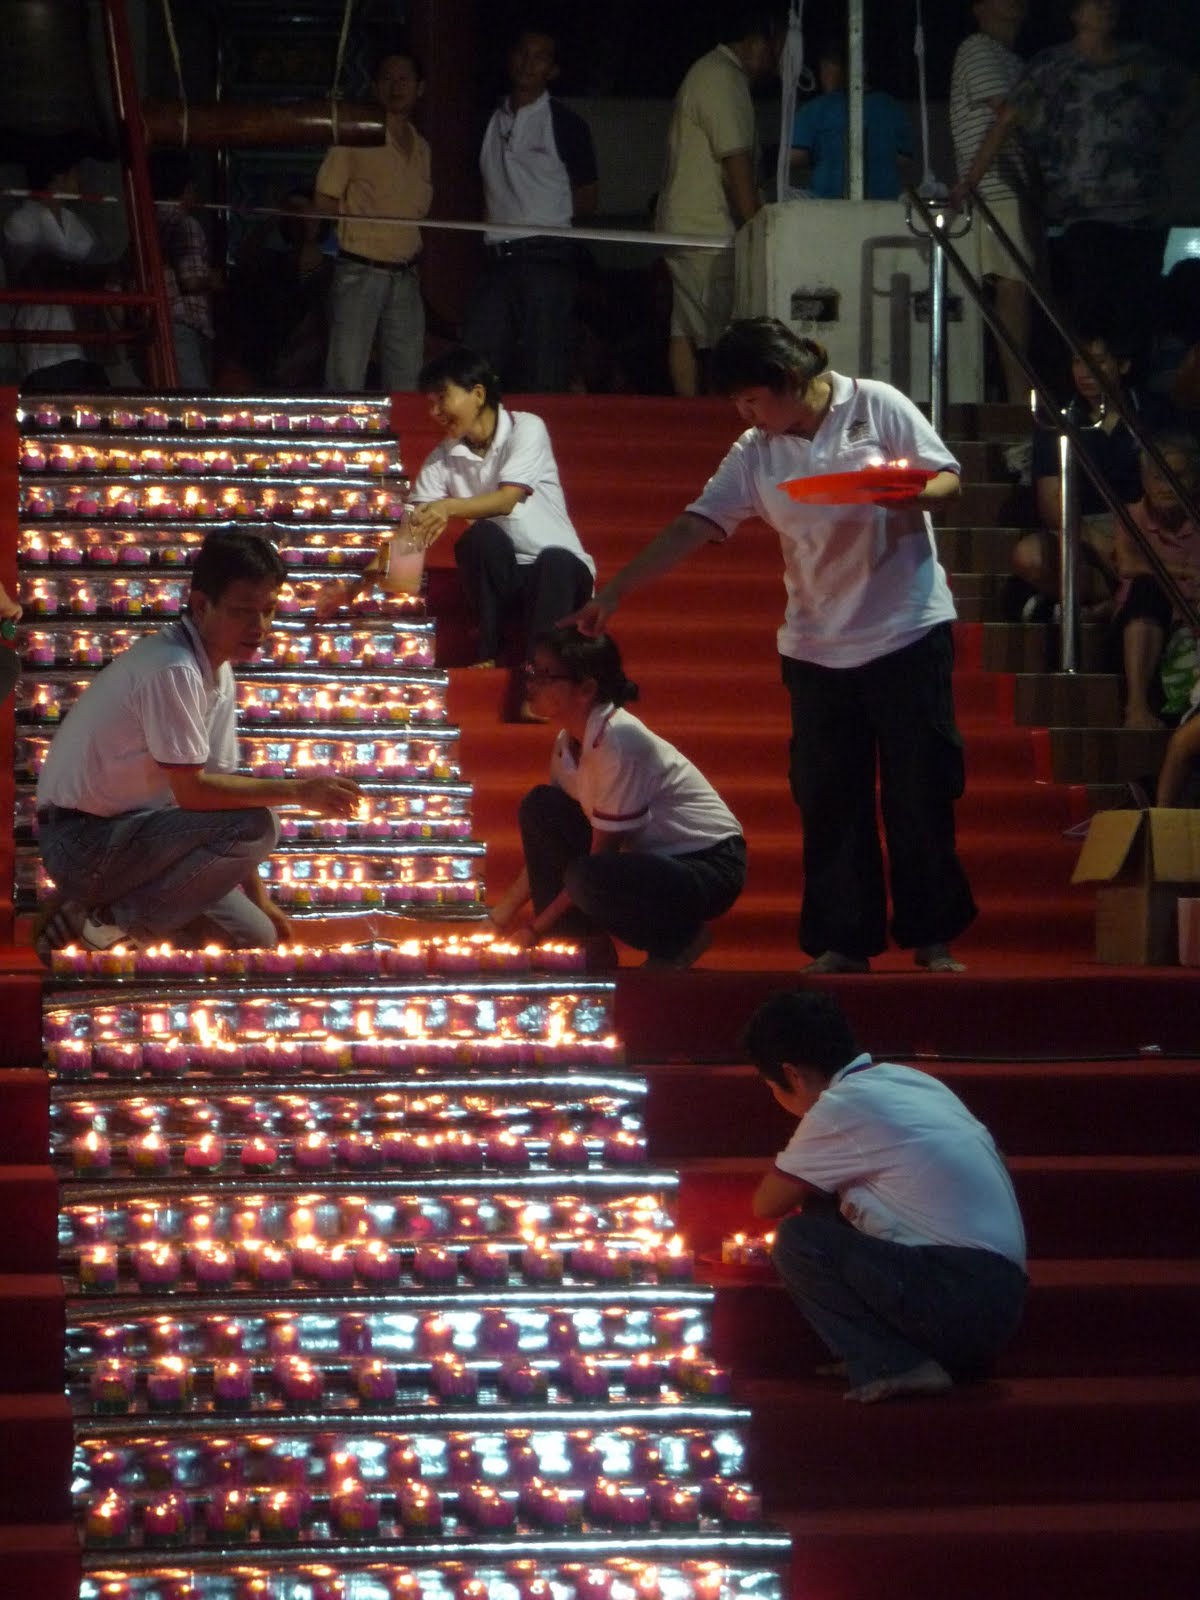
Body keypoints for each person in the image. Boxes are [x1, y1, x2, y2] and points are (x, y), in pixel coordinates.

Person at [569, 317, 976, 976]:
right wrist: (615, 591)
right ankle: (844, 940)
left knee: (919, 791)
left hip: (905, 629)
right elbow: (694, 525)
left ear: (789, 381)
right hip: (816, 644)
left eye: (752, 398)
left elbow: (948, 482)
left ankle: (933, 937)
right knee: (828, 798)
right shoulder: (755, 450)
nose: (745, 413)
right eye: (738, 403)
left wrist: (903, 492)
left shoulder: (877, 404)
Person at [32, 529, 361, 962]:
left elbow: (220, 794)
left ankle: (86, 918)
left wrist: (258, 899)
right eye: (244, 611)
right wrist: (301, 792)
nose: (259, 627)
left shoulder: (217, 673)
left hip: (142, 843)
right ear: (202, 605)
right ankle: (107, 926)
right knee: (259, 825)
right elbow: (195, 793)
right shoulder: (173, 668)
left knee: (253, 936)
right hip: (84, 843)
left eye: (268, 610)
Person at [742, 988, 1027, 1403]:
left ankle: (892, 1362)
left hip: (955, 1298)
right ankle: (892, 1351)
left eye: (771, 1085)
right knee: (823, 1200)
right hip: (999, 1301)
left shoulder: (841, 1106)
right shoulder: (911, 1080)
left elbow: (766, 1204)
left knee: (800, 1242)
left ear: (792, 1075)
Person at [316, 346, 594, 708]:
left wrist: (447, 507)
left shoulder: (526, 428)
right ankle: (490, 648)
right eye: (430, 403)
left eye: (442, 398)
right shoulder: (443, 458)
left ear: (477, 394)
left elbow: (507, 499)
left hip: (562, 577)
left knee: (554, 560)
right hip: (511, 581)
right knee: (480, 538)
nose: (435, 413)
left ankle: (536, 678)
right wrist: (355, 589)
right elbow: (410, 537)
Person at [489, 626, 747, 969]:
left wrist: (533, 930)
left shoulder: (618, 743)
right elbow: (548, 853)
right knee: (542, 809)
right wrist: (498, 917)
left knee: (589, 879)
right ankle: (573, 947)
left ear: (586, 689)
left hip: (705, 863)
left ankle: (678, 939)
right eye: (531, 671)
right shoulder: (569, 743)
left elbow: (598, 862)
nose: (530, 683)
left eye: (544, 675)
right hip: (645, 859)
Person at [951, 0, 1197, 356]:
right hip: (1084, 208)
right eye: (1095, 5)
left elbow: (1190, 89)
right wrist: (970, 180)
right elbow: (1009, 118)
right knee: (1091, 312)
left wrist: (1167, 136)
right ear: (1076, 14)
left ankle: (1134, 399)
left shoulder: (1142, 60)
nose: (1106, 10)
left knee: (1140, 311)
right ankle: (1093, 400)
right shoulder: (1053, 64)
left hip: (1143, 208)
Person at [462, 26, 598, 394]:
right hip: (496, 259)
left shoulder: (566, 124)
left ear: (552, 70)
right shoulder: (486, 119)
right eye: (523, 52)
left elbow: (587, 198)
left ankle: (541, 448)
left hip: (546, 258)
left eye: (539, 57)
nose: (527, 63)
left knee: (544, 368)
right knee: (477, 363)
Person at [655, 6, 781, 397]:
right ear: (758, 44)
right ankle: (711, 416)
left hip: (683, 224)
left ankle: (689, 412)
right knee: (718, 330)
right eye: (775, 51)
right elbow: (736, 162)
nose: (775, 63)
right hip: (706, 228)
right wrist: (759, 225)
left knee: (685, 327)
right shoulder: (725, 78)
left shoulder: (706, 71)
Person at [1011, 328, 1170, 620]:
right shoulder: (1058, 419)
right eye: (1077, 361)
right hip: (1084, 531)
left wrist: (1132, 534)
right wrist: (1095, 539)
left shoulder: (1153, 413)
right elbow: (1050, 503)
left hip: (1145, 525)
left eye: (1097, 361)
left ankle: (1093, 608)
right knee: (1030, 556)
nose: (1085, 372)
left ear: (1122, 365)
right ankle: (1112, 600)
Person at [315, 48, 431, 392]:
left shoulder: (423, 148)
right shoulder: (354, 137)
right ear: (375, 86)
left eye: (404, 79)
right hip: (359, 271)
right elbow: (323, 201)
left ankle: (403, 446)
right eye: (387, 79)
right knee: (346, 377)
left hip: (406, 275)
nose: (396, 87)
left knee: (407, 379)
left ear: (419, 87)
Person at [949, 0, 1034, 404]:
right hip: (999, 189)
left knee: (1020, 290)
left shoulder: (1012, 58)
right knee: (1012, 288)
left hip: (1017, 189)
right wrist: (971, 181)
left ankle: (1022, 397)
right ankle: (1020, 401)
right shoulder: (978, 47)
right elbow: (1008, 117)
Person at [2, 134, 111, 391]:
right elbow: (36, 267)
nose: (79, 181)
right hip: (44, 333)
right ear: (57, 178)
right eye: (74, 174)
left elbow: (93, 264)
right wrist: (72, 271)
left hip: (82, 334)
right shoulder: (22, 221)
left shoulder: (74, 222)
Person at [1111, 434, 1200, 729]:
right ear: (1145, 481)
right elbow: (1128, 564)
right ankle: (1136, 706)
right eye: (1158, 477)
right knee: (1147, 591)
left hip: (1190, 619)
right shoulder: (1133, 515)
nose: (1166, 486)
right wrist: (1182, 572)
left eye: (1177, 476)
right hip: (1146, 619)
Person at [789, 41, 915, 201]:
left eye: (828, 67)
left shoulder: (816, 109)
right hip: (885, 205)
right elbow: (904, 159)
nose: (824, 75)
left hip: (828, 208)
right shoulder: (892, 107)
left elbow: (794, 156)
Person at [148, 149, 219, 391]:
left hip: (153, 326)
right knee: (194, 403)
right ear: (187, 188)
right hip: (179, 327)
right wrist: (216, 279)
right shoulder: (184, 223)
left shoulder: (144, 223)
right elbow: (190, 280)